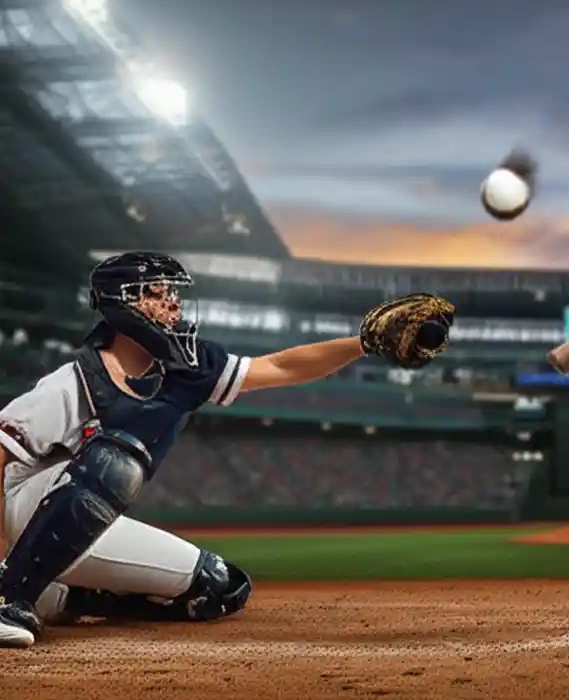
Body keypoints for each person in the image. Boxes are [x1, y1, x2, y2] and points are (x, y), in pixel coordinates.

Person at [0, 251, 453, 647]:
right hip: (25, 505)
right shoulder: (74, 381)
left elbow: (279, 366)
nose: (172, 303)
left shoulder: (188, 367)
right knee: (116, 459)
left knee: (220, 588)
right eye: (156, 293)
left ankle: (56, 595)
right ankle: (10, 598)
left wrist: (364, 343)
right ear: (123, 304)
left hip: (81, 523)